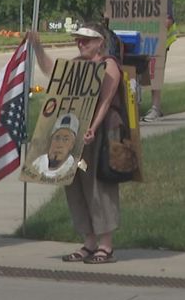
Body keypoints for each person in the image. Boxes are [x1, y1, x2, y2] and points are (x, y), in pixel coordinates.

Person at [27, 24, 124, 264]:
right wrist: (37, 47)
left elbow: (106, 100)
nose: (81, 44)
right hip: (74, 135)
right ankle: (89, 242)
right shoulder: (77, 64)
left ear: (100, 42)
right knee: (75, 185)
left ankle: (106, 245)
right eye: (79, 40)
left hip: (99, 135)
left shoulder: (108, 65)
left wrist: (93, 127)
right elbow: (53, 71)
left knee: (98, 188)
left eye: (86, 41)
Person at [141, 0, 176, 122]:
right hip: (143, 44)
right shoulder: (141, 1)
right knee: (142, 76)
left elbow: (168, 22)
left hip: (159, 44)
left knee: (155, 75)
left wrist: (154, 28)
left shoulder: (165, 1)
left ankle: (155, 108)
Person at [27, 113, 79, 182]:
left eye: (65, 139)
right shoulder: (39, 162)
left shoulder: (72, 166)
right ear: (51, 140)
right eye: (57, 138)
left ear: (72, 145)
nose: (59, 144)